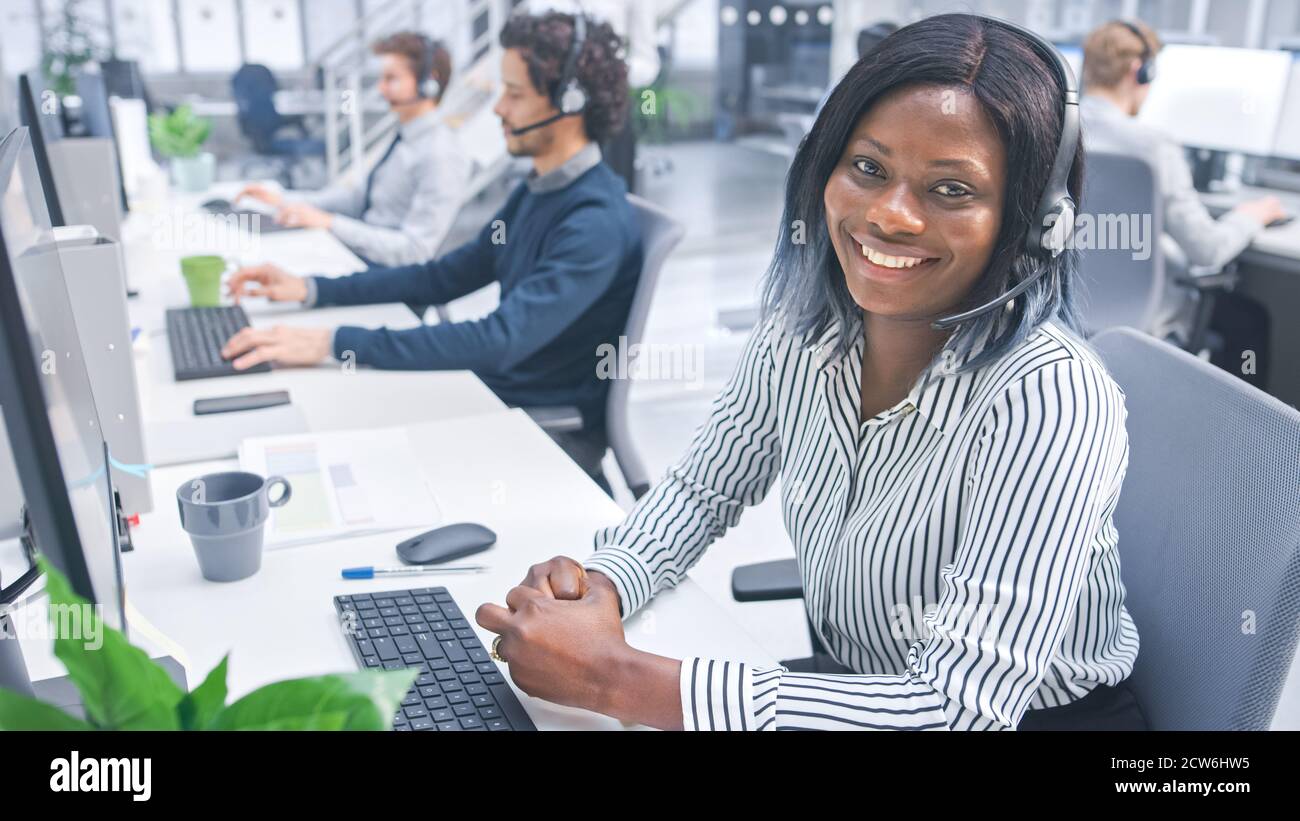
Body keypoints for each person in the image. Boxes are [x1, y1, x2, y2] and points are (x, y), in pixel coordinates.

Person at [474, 14, 1146, 731]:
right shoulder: (803, 329)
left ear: (1035, 221)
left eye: (951, 190)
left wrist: (614, 678)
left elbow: (957, 709)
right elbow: (703, 490)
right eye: (868, 168)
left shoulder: (1049, 394)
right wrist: (605, 583)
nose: (889, 215)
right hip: (849, 690)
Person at [220, 11, 642, 493]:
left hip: (535, 431)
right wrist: (313, 289)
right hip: (489, 396)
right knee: (317, 410)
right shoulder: (538, 191)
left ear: (570, 104)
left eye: (515, 94)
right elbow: (440, 277)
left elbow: (501, 338)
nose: (498, 110)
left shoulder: (593, 221)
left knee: (334, 431)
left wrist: (333, 343)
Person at [1080, 19, 1285, 346]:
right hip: (1142, 324)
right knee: (1249, 321)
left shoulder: (1058, 132)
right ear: (1139, 71)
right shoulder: (1152, 147)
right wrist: (1252, 215)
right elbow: (1207, 250)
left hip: (1067, 314)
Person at [237, 33, 471, 268]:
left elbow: (415, 251)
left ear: (429, 82)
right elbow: (358, 199)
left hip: (389, 274)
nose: (380, 88)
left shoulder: (441, 154)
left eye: (391, 79)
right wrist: (283, 200)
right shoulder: (404, 137)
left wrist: (329, 223)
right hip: (364, 257)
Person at [533, 0, 660, 193]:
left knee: (610, 193)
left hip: (606, 109)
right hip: (557, 109)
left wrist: (607, 72)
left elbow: (647, 62)